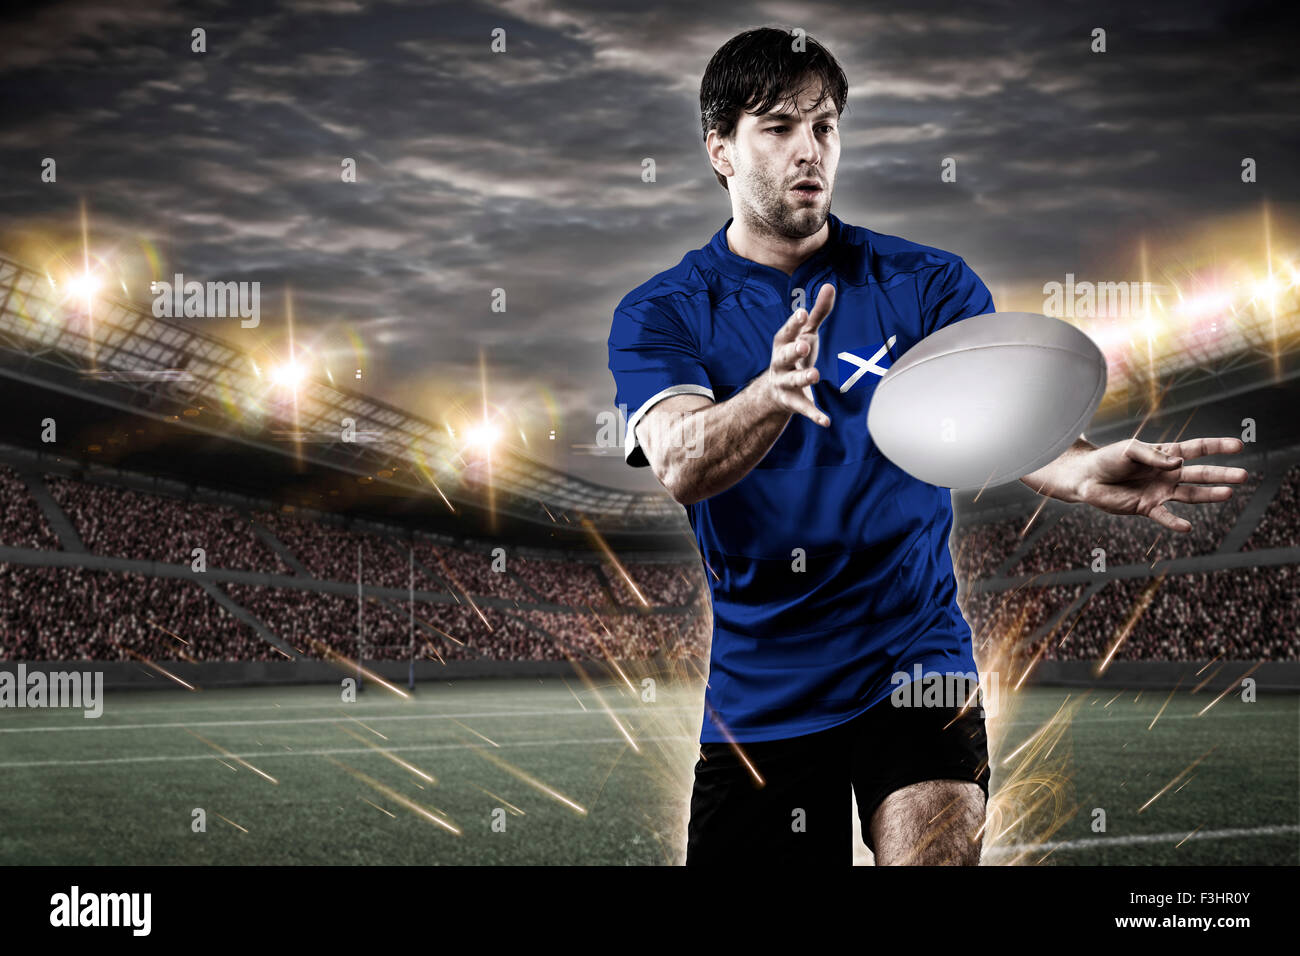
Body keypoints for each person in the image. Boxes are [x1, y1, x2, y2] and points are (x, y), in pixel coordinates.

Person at [606, 26, 1248, 866]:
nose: (810, 150)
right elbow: (683, 462)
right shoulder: (664, 310)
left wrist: (1081, 465)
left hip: (917, 663)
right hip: (761, 692)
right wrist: (768, 395)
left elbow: (996, 418)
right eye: (778, 126)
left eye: (825, 125)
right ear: (719, 148)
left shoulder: (929, 283)